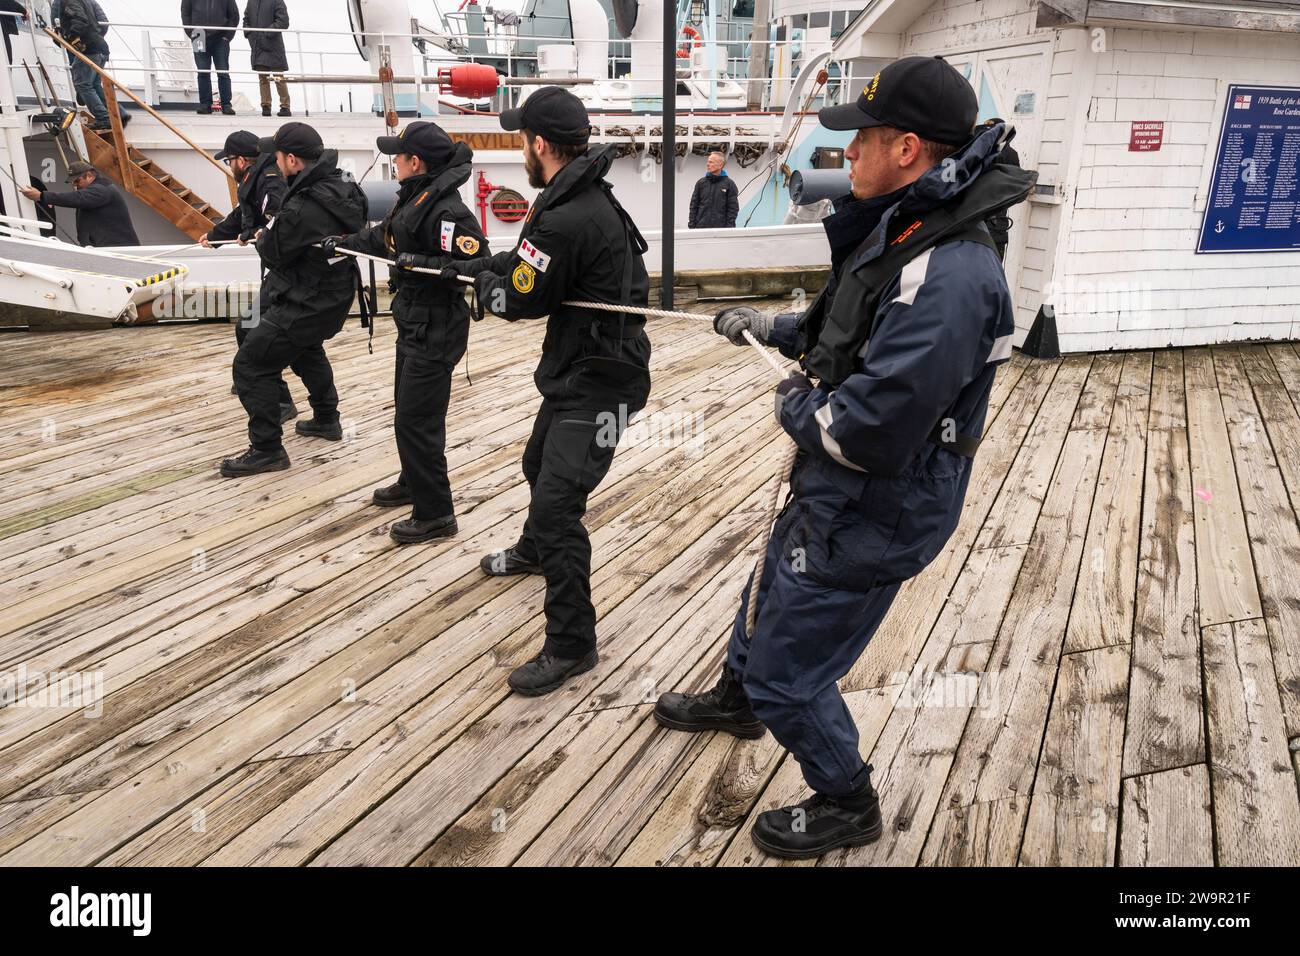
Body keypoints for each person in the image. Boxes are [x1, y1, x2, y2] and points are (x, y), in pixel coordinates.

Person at [653, 55, 1036, 860]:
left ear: (906, 149)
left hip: (872, 508)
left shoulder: (949, 271)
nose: (844, 156)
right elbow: (847, 325)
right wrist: (770, 326)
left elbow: (864, 431)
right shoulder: (904, 228)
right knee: (771, 585)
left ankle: (846, 799)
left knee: (793, 667)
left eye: (857, 141)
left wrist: (794, 402)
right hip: (835, 494)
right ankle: (740, 698)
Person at [434, 87, 652, 696]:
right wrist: (490, 266)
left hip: (603, 382)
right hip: (580, 370)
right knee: (538, 463)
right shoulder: (576, 197)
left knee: (559, 505)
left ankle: (571, 644)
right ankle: (535, 553)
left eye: (520, 139)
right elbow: (538, 269)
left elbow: (520, 301)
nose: (519, 150)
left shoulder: (565, 213)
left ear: (538, 144)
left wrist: (482, 284)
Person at [321, 123, 488, 543]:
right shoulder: (414, 199)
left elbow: (478, 262)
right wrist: (342, 243)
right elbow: (384, 238)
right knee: (406, 412)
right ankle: (413, 480)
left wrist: (419, 261)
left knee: (419, 420)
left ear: (415, 162)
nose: (393, 161)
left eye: (398, 155)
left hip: (436, 326)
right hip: (413, 321)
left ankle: (436, 513)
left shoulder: (448, 213)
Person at [220, 123, 367, 478]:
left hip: (305, 297)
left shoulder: (303, 204)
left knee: (251, 365)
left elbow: (273, 252)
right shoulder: (347, 185)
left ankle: (267, 448)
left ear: (291, 159)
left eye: (277, 155)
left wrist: (263, 234)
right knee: (303, 347)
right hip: (328, 292)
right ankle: (326, 418)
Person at [202, 129, 298, 424]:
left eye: (229, 160)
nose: (228, 165)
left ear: (241, 160)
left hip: (288, 273)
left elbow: (277, 217)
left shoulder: (269, 181)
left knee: (250, 327)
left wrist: (254, 232)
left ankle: (275, 395)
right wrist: (215, 236)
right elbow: (241, 215)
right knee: (292, 345)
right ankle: (319, 411)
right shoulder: (254, 180)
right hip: (278, 271)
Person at [20, 161, 140, 246]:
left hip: (115, 248)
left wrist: (41, 196)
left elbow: (76, 198)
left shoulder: (101, 190)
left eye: (77, 181)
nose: (75, 185)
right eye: (73, 182)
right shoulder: (101, 187)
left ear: (89, 176)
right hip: (104, 246)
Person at [52, 0, 129, 130]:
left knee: (82, 84)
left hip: (89, 49)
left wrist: (71, 37)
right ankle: (119, 114)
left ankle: (103, 118)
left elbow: (80, 19)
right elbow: (101, 22)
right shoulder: (87, 1)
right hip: (99, 46)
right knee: (94, 84)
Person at [182, 0, 239, 115]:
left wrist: (227, 36)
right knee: (203, 72)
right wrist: (192, 34)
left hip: (221, 38)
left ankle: (226, 105)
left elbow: (234, 16)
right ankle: (205, 105)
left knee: (223, 72)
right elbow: (185, 14)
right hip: (198, 36)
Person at [980, 117, 1023, 261]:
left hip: (984, 226)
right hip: (994, 228)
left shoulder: (979, 152)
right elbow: (1017, 192)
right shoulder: (1010, 154)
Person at [243, 0, 291, 117]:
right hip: (257, 44)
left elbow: (283, 21)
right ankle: (265, 106)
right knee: (262, 78)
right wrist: (249, 33)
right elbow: (246, 19)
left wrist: (266, 33)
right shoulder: (251, 2)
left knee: (278, 77)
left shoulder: (276, 1)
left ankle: (285, 106)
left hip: (273, 45)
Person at [688, 150, 738, 228]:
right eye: (708, 162)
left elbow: (733, 209)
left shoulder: (729, 184)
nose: (707, 164)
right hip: (701, 229)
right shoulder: (701, 183)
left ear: (720, 165)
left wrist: (729, 228)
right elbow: (693, 206)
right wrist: (691, 226)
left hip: (721, 230)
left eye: (711, 162)